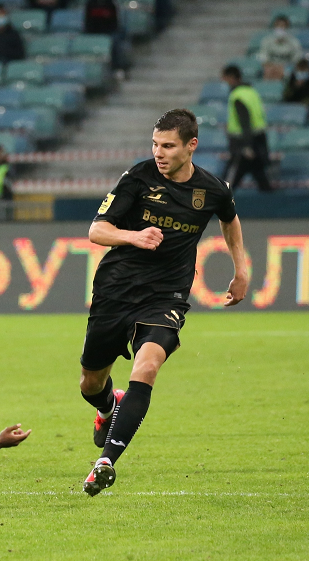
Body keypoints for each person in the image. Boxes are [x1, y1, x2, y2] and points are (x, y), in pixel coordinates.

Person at [79, 109, 248, 496]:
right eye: (155, 144)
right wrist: (134, 237)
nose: (159, 152)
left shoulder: (213, 189)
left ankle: (106, 461)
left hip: (167, 295)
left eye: (168, 146)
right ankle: (108, 407)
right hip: (116, 291)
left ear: (191, 146)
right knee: (91, 384)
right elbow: (97, 230)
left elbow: (229, 218)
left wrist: (241, 270)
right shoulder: (137, 178)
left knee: (148, 365)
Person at [221, 65, 272, 192]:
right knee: (259, 175)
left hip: (243, 142)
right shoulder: (252, 92)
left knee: (229, 180)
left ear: (231, 78)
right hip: (258, 139)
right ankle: (274, 207)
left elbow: (245, 122)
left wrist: (246, 146)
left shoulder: (238, 96)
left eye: (225, 78)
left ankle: (218, 203)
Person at [257, 15, 302, 81]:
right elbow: (263, 57)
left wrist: (283, 67)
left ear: (287, 27)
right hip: (271, 68)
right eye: (278, 26)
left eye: (283, 26)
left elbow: (297, 58)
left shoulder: (294, 42)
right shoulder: (267, 41)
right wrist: (273, 66)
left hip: (287, 68)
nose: (280, 28)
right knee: (268, 71)